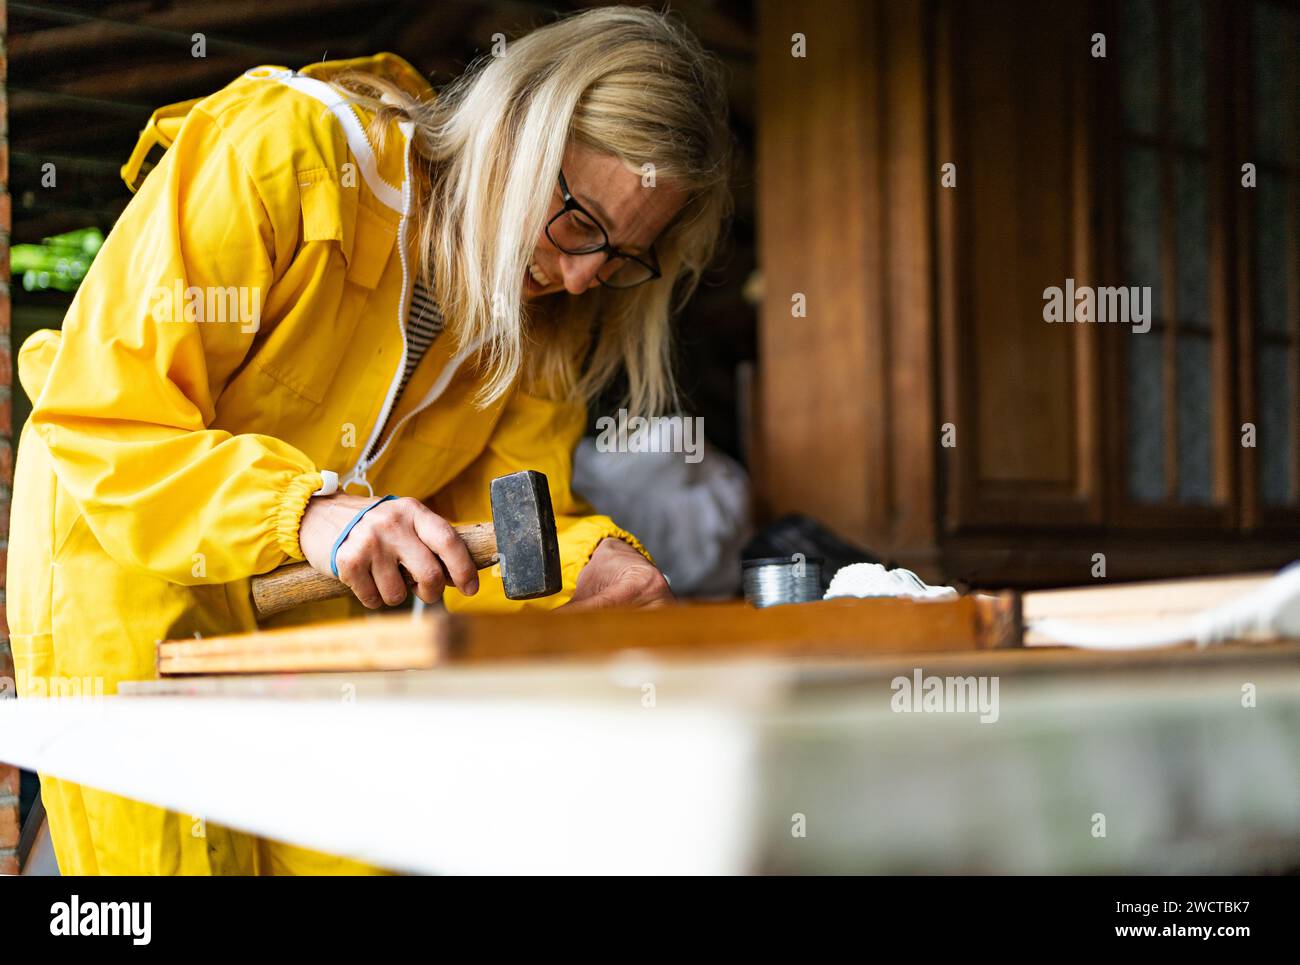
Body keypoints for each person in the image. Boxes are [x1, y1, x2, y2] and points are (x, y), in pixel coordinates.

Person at [7, 6, 732, 874]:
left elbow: (500, 529)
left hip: (321, 612)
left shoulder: (549, 319)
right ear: (514, 132)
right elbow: (108, 415)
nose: (582, 276)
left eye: (622, 255)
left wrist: (592, 564)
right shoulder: (286, 153)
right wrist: (310, 509)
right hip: (126, 560)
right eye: (579, 223)